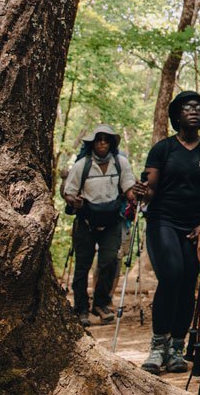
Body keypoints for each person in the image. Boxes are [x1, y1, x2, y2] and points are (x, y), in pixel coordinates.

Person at [134, 91, 200, 374]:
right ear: (176, 115)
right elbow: (151, 186)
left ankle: (176, 350)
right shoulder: (163, 149)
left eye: (199, 107)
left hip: (195, 227)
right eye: (187, 107)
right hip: (163, 221)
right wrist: (141, 191)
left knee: (187, 284)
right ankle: (157, 347)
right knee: (171, 275)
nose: (194, 111)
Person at [63, 124, 136, 327]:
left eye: (106, 139)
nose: (102, 143)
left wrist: (136, 196)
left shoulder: (120, 163)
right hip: (86, 222)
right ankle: (81, 309)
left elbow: (128, 187)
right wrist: (73, 201)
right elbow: (69, 191)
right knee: (82, 267)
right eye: (99, 139)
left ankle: (101, 304)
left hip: (112, 222)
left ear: (112, 143)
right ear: (93, 143)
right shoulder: (82, 165)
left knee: (109, 262)